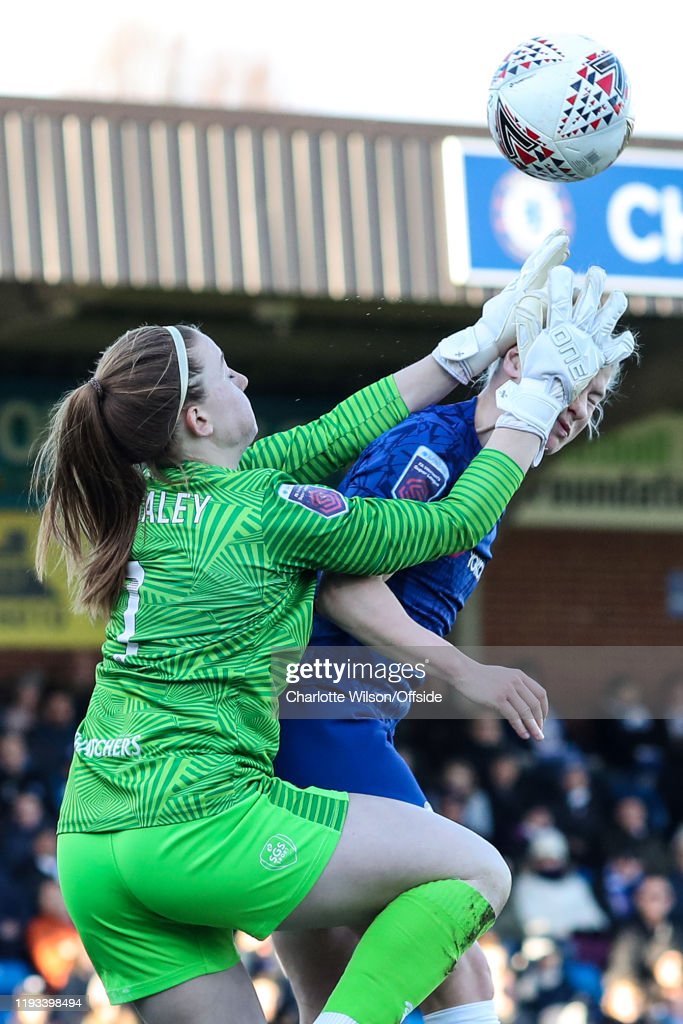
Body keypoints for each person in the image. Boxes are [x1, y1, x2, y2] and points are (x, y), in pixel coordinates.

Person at [33, 233, 628, 1024]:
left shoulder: (153, 494)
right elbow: (451, 520)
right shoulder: (269, 511)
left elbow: (328, 435)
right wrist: (531, 398)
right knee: (477, 875)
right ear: (200, 416)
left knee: (362, 973)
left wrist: (465, 350)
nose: (245, 374)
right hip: (200, 821)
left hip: (93, 842)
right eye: (225, 368)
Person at [273, 274, 636, 1023]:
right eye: (565, 383)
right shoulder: (432, 452)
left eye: (590, 399)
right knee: (457, 942)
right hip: (321, 709)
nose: (574, 410)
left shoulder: (488, 466)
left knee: (329, 980)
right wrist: (466, 673)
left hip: (336, 714)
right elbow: (344, 586)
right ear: (511, 365)